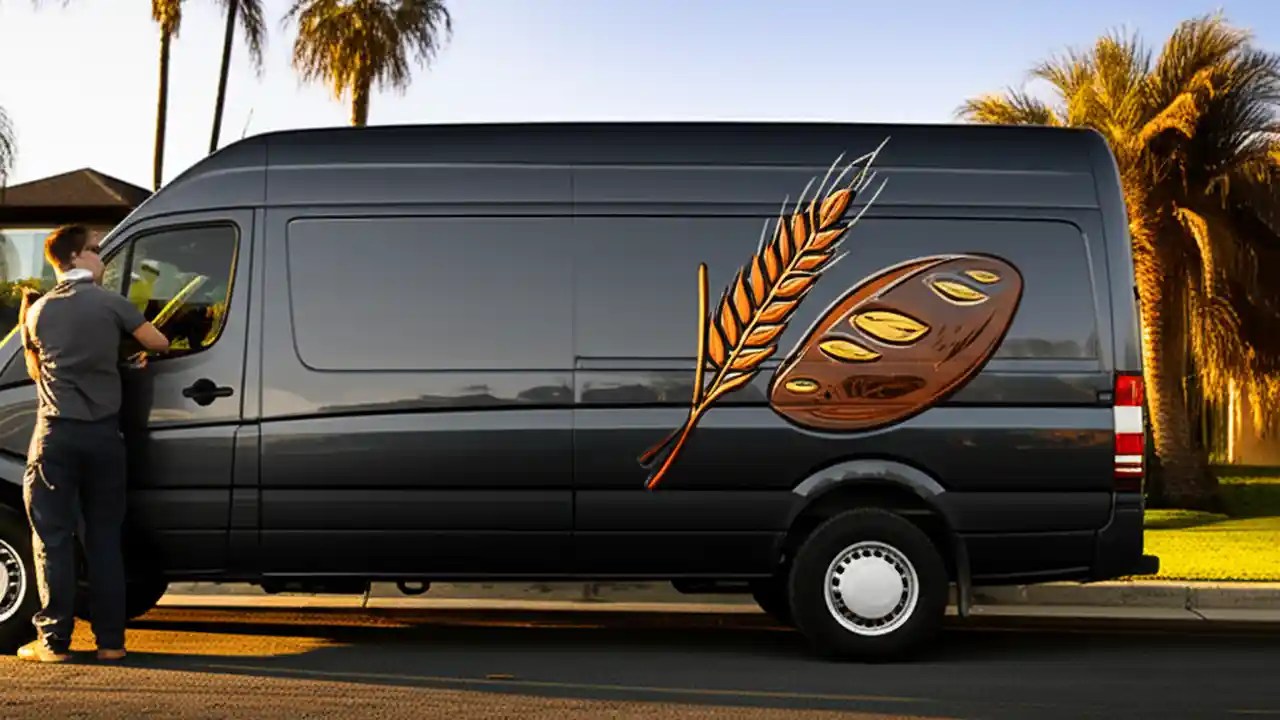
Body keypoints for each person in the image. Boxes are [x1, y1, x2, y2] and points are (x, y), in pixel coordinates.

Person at [15, 225, 170, 663]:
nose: (102, 259)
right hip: (104, 438)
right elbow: (159, 342)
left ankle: (54, 643)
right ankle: (111, 643)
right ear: (75, 257)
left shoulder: (37, 311)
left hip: (55, 437)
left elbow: (34, 370)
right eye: (95, 250)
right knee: (104, 540)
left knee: (53, 540)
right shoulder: (112, 304)